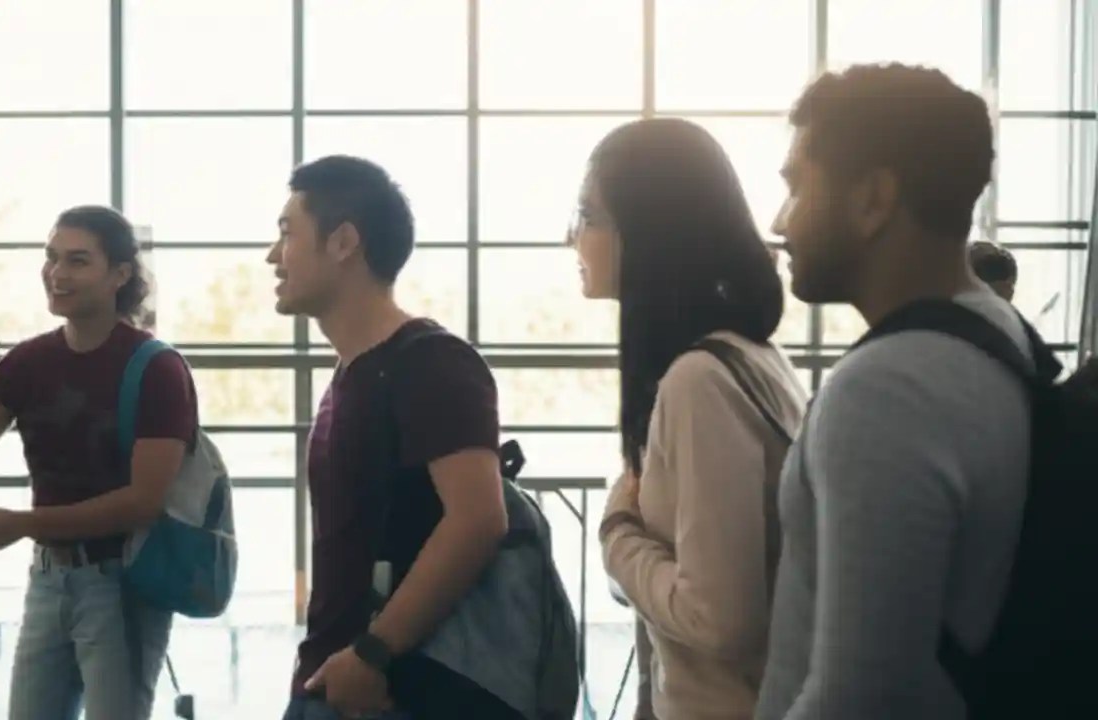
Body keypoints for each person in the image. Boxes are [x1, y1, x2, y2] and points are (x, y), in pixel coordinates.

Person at [756, 64, 1031, 719]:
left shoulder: (885, 390)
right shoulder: (1001, 332)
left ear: (873, 198)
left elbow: (861, 696)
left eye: (797, 185)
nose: (778, 220)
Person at [574, 118, 807, 720]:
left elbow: (719, 621)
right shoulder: (751, 355)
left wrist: (617, 536)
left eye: (591, 217)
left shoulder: (700, 380)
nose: (573, 236)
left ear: (650, 231)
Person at [269, 155, 517, 720]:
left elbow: (478, 518)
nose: (272, 256)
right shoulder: (353, 372)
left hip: (387, 688)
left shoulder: (431, 361)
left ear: (344, 242)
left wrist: (371, 654)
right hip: (333, 675)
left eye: (287, 234)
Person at [0, 205, 196, 720]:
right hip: (49, 580)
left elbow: (142, 502)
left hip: (123, 584)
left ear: (120, 275)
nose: (57, 274)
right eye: (51, 258)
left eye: (77, 261)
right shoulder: (28, 362)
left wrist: (19, 524)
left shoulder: (159, 369)